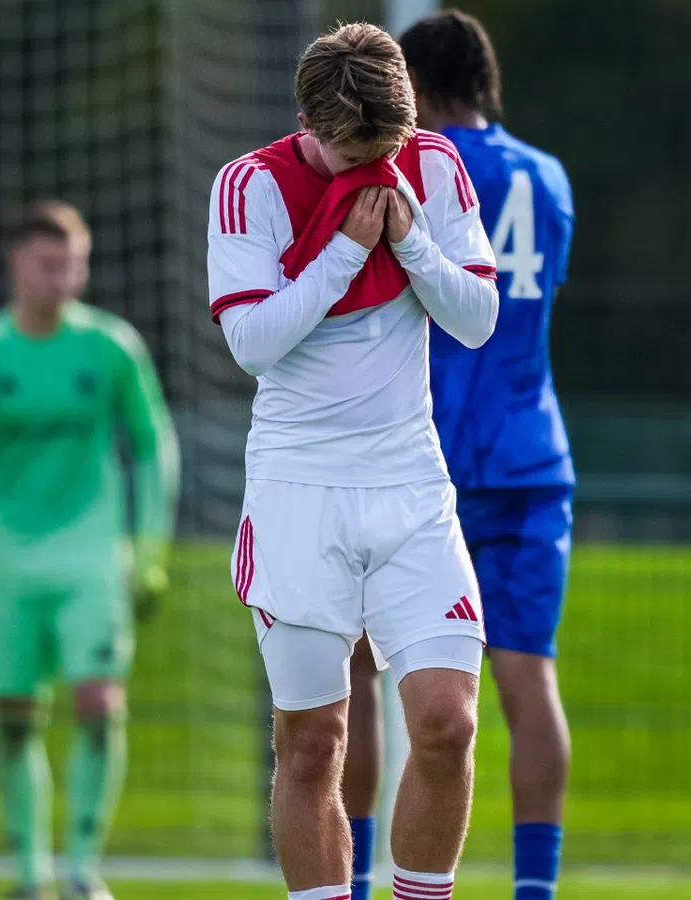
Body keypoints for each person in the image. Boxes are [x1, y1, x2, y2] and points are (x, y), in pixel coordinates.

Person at [206, 21, 499, 900]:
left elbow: (478, 320)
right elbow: (252, 342)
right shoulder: (249, 185)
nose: (370, 166)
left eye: (386, 147)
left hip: (410, 481)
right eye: (349, 153)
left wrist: (409, 242)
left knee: (446, 726)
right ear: (306, 120)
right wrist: (342, 253)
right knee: (314, 742)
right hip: (300, 488)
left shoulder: (435, 165)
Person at [340, 11, 576, 900]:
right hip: (529, 453)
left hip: (421, 454)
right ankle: (534, 890)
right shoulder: (549, 179)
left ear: (419, 92)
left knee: (356, 670)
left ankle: (357, 879)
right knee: (528, 681)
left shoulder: (413, 170)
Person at [0, 201, 181, 900]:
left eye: (74, 263)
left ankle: (83, 869)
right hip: (8, 563)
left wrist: (150, 547)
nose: (62, 277)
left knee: (99, 702)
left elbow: (153, 448)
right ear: (17, 264)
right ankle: (30, 874)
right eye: (48, 263)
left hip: (91, 555)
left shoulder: (111, 347)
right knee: (13, 716)